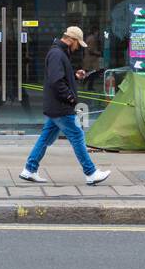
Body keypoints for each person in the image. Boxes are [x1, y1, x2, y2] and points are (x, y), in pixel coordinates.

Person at [18, 26, 111, 186]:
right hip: (61, 106)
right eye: (77, 44)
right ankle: (91, 173)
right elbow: (56, 81)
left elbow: (59, 76)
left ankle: (29, 169)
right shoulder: (57, 54)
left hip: (55, 106)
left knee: (45, 138)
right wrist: (70, 98)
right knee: (77, 136)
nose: (77, 48)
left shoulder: (58, 53)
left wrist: (74, 75)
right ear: (72, 40)